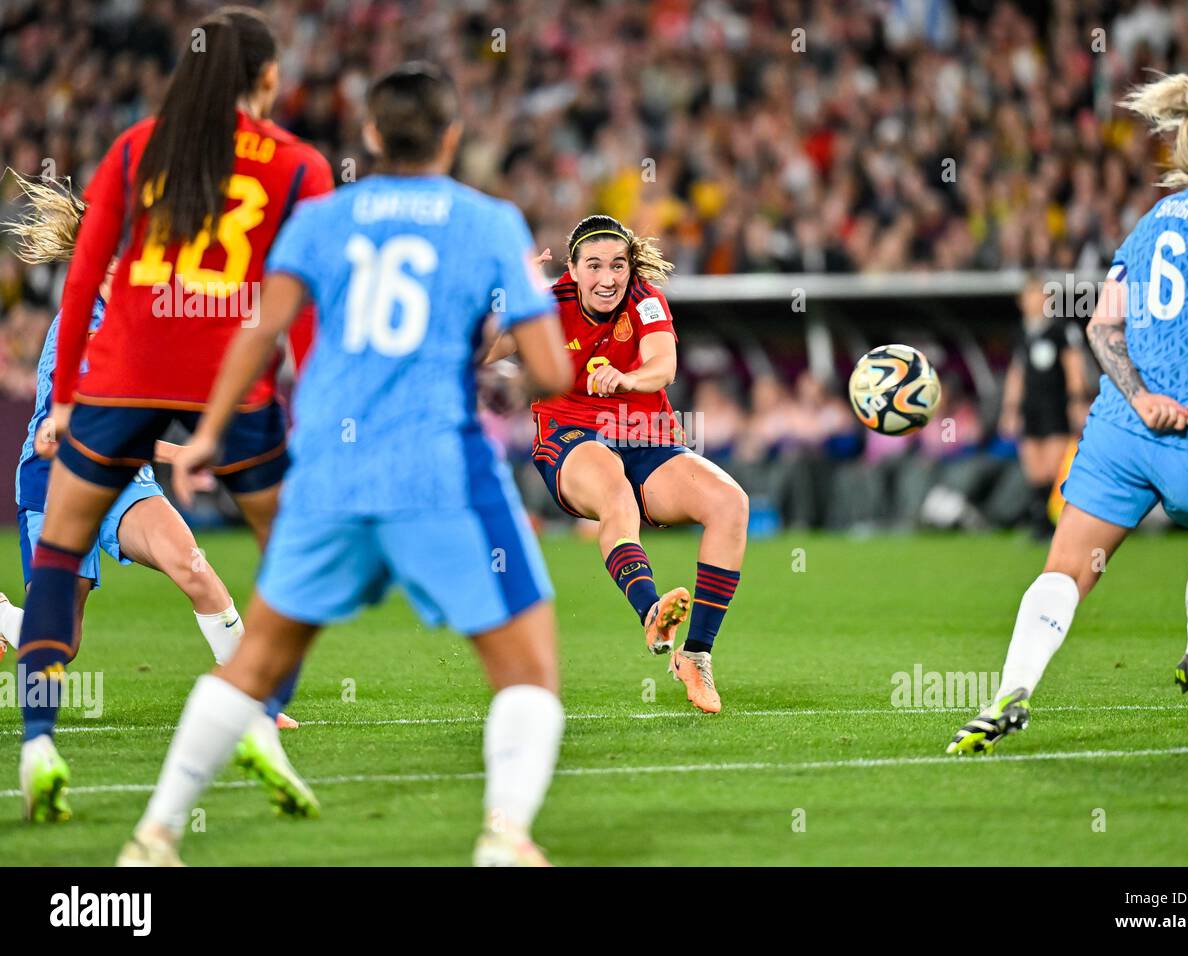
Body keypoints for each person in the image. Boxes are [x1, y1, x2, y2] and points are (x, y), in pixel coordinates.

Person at [118, 62, 571, 867]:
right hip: (438, 474)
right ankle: (505, 839)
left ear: (370, 135)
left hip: (329, 471)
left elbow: (259, 332)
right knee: (528, 670)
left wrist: (205, 437)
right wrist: (492, 363)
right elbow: (554, 371)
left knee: (254, 663)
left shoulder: (321, 219)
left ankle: (154, 835)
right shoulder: (489, 221)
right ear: (453, 137)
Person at [15, 6, 332, 823]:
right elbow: (302, 293)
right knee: (292, 549)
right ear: (266, 78)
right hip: (196, 383)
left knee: (169, 568)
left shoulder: (139, 150)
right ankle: (244, 709)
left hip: (124, 402)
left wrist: (78, 410)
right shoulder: (296, 164)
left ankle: (247, 712)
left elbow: (82, 283)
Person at [948, 74, 1188, 755]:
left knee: (1065, 568)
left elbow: (1103, 330)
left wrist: (1139, 399)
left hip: (1122, 431)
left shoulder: (1151, 220)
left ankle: (1012, 689)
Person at [484, 215, 749, 713]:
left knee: (730, 503)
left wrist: (627, 381)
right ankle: (652, 610)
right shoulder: (543, 303)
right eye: (595, 266)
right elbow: (481, 352)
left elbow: (663, 366)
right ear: (573, 269)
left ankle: (695, 655)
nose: (608, 278)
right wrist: (508, 293)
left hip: (645, 436)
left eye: (618, 265)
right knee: (614, 492)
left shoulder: (645, 300)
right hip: (572, 435)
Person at [999, 275, 1090, 537]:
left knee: (1054, 466)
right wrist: (1010, 408)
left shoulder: (1061, 330)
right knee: (1034, 469)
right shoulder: (1022, 333)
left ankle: (1060, 522)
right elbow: (1016, 373)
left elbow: (1073, 366)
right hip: (1031, 408)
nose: (1035, 300)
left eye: (1039, 294)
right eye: (1029, 295)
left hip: (1056, 406)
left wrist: (1076, 401)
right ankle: (1040, 522)